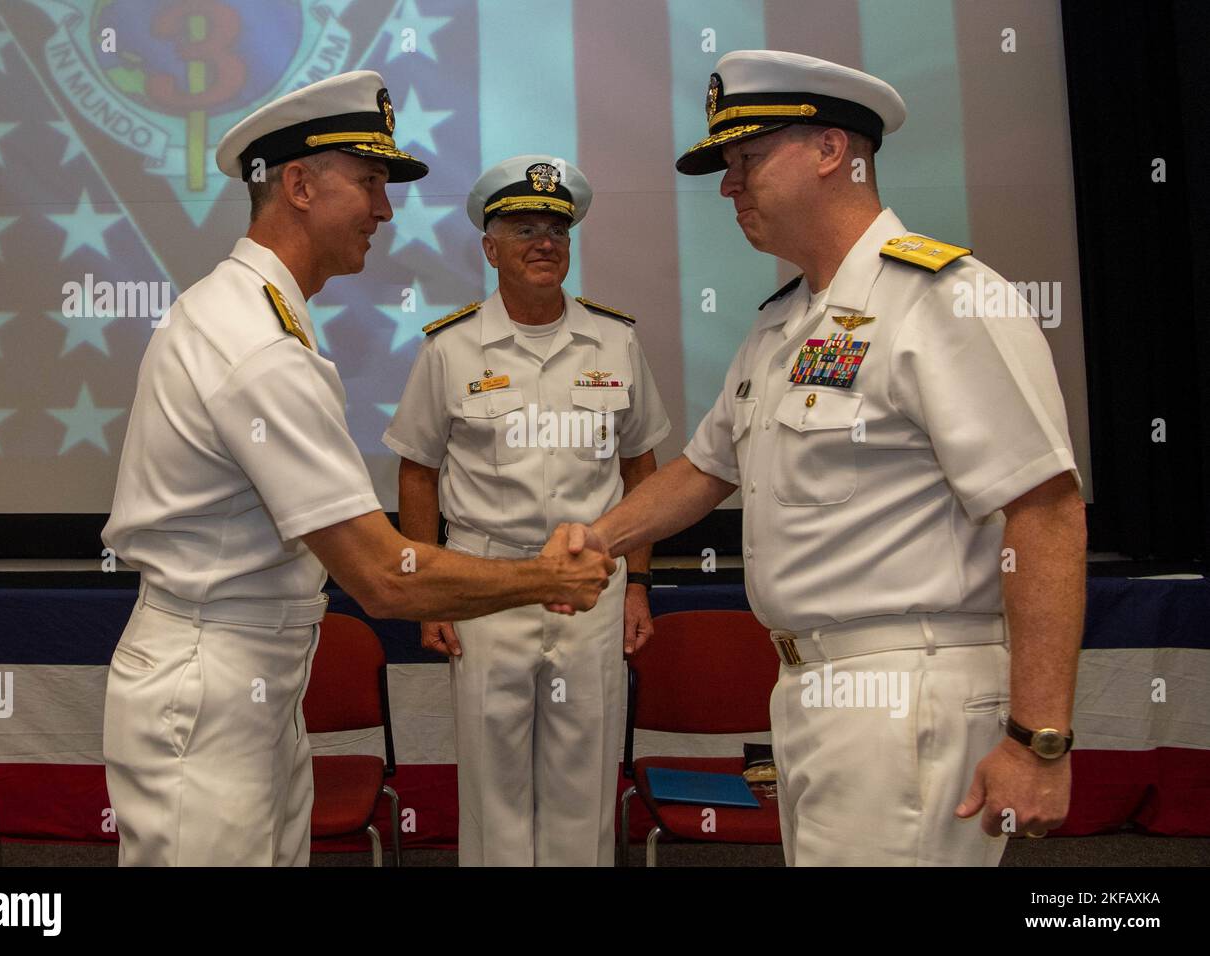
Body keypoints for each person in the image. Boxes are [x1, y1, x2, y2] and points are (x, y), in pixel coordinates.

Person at [566, 50, 1086, 866]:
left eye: (745, 159)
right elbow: (707, 469)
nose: (729, 186)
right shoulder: (781, 323)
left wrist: (1038, 739)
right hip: (810, 693)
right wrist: (597, 540)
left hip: (909, 687)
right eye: (725, 167)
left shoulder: (943, 298)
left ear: (833, 150)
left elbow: (1046, 510)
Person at [100, 74, 613, 867]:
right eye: (370, 183)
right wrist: (547, 578)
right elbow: (383, 577)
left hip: (245, 677)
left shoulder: (261, 315)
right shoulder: (257, 342)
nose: (384, 209)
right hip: (211, 683)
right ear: (299, 185)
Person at [382, 155, 670, 865]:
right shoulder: (451, 348)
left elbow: (642, 468)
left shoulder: (615, 341)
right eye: (524, 228)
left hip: (590, 587)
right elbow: (417, 474)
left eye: (557, 230)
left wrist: (638, 582)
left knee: (585, 774)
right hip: (486, 587)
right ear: (490, 248)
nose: (545, 242)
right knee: (493, 781)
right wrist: (428, 597)